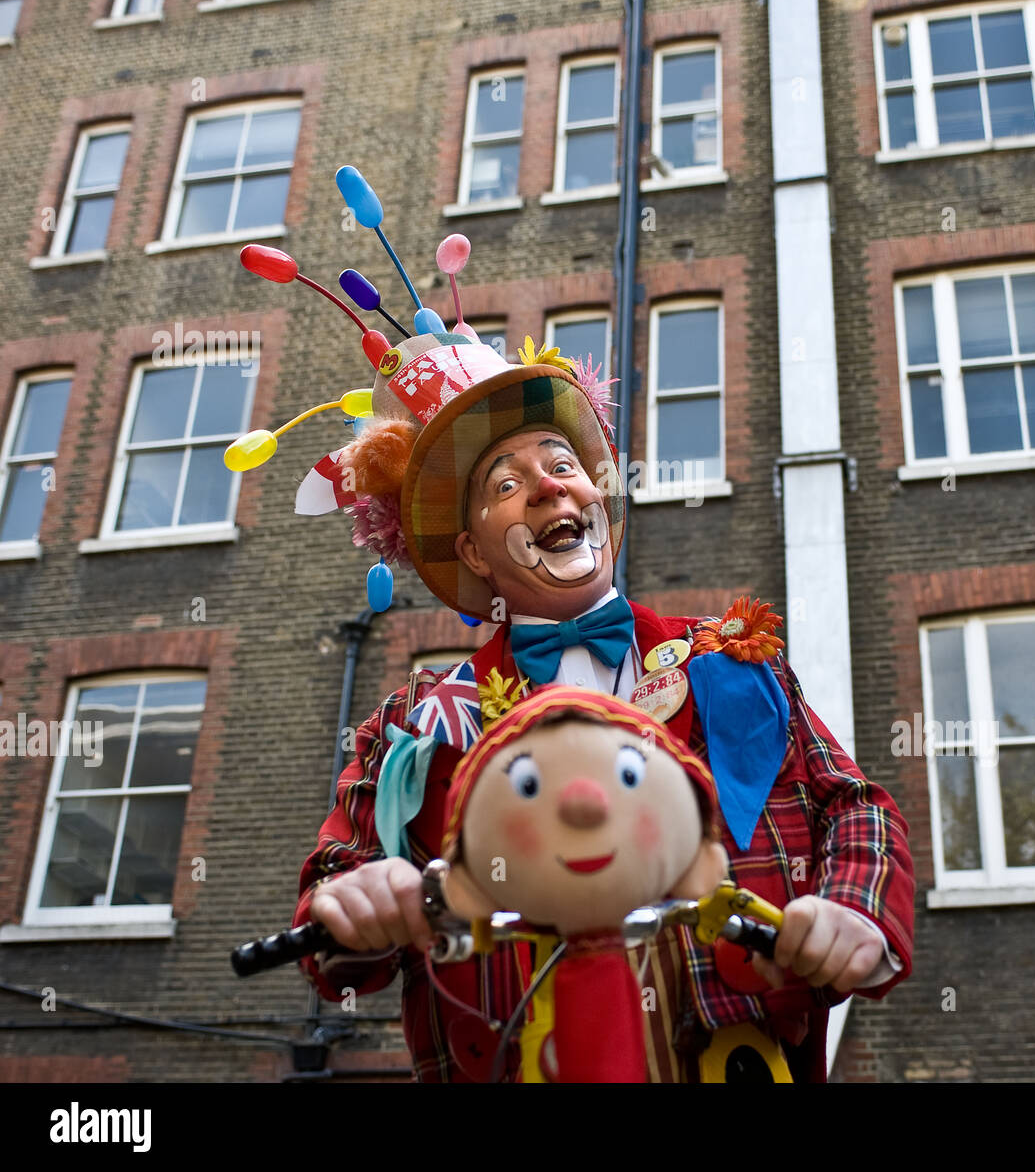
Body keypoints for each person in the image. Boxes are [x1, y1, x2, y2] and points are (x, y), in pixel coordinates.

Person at [233, 225, 914, 1082]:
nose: (553, 483)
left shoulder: (733, 664)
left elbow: (853, 805)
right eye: (508, 484)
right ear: (475, 553)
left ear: (597, 497)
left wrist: (852, 912)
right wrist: (351, 905)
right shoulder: (413, 728)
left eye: (562, 463)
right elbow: (337, 912)